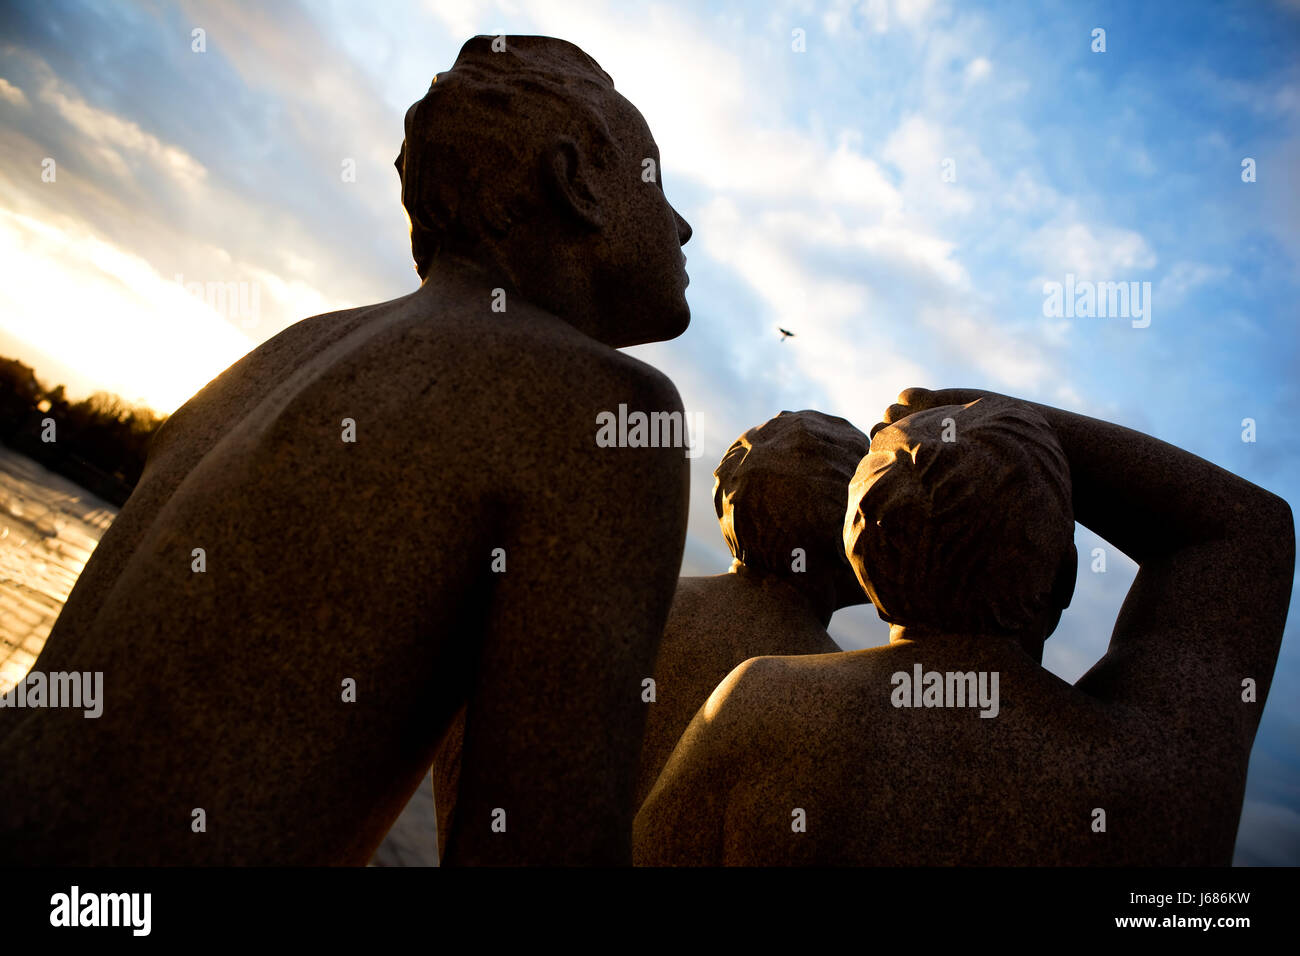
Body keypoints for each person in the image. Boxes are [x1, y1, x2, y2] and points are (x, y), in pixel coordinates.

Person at [0, 35, 693, 866]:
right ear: (576, 181)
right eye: (655, 181)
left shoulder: (278, 355)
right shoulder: (605, 407)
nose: (682, 224)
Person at [634, 388, 1293, 865]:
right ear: (1063, 578)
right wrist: (989, 412)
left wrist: (949, 435)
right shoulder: (1155, 772)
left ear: (868, 571)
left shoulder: (761, 706)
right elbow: (1247, 529)